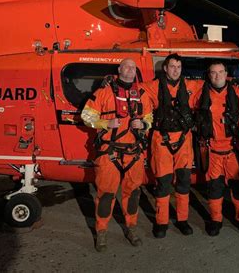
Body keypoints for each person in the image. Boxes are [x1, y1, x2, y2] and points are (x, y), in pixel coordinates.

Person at [81, 58, 153, 252]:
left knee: (134, 194)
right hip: (109, 152)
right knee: (106, 195)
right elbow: (86, 116)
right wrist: (105, 123)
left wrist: (144, 124)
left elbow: (149, 117)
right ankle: (102, 232)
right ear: (119, 69)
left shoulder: (142, 94)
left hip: (133, 153)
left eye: (133, 67)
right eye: (126, 67)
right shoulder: (103, 92)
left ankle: (131, 228)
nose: (130, 70)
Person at [142, 53, 203, 238]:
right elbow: (134, 93)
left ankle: (182, 220)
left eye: (178, 67)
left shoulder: (193, 86)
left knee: (184, 183)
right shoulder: (151, 87)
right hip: (161, 140)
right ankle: (161, 222)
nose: (175, 70)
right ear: (165, 69)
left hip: (184, 140)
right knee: (163, 183)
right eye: (172, 67)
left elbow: (217, 89)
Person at [193, 61, 239, 236]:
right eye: (213, 73)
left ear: (227, 73)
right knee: (214, 189)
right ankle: (215, 220)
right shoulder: (200, 95)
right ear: (208, 75)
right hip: (212, 151)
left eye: (220, 72)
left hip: (233, 151)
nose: (217, 76)